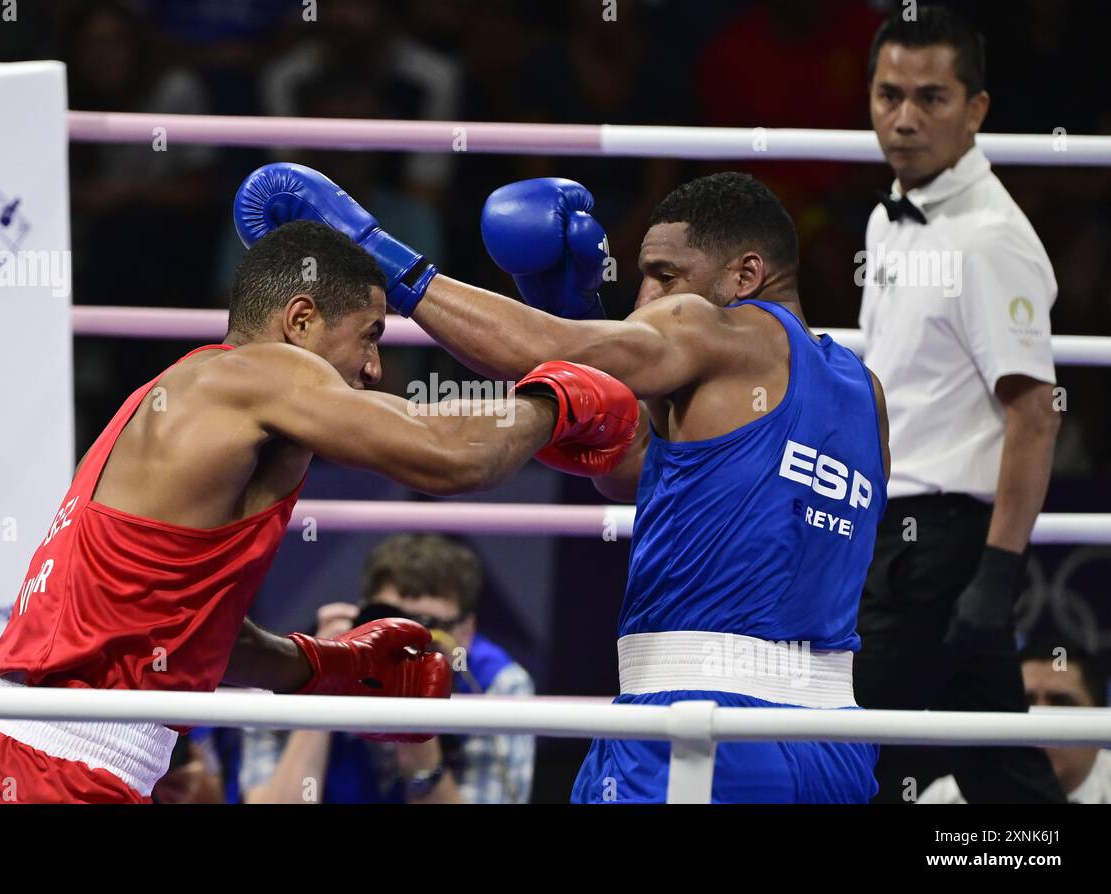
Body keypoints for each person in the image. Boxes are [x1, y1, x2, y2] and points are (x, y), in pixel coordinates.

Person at [236, 164, 890, 803]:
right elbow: (627, 470)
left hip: (706, 724)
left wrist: (375, 252)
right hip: (833, 737)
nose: (648, 305)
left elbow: (548, 348)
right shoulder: (866, 394)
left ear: (747, 275)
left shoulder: (726, 331)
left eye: (667, 279)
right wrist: (573, 314)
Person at [0, 220, 638, 804]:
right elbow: (448, 455)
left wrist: (327, 666)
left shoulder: (184, 398)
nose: (371, 370)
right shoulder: (259, 373)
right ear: (300, 319)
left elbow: (179, 636)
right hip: (61, 768)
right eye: (369, 337)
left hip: (11, 753)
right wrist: (563, 397)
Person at [854, 6, 1064, 803]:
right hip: (894, 526)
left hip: (943, 541)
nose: (905, 119)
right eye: (888, 94)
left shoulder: (990, 237)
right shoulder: (887, 218)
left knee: (845, 744)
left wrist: (996, 576)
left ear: (976, 108)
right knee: (1000, 771)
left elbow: (1035, 414)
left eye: (932, 98)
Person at [242, 534, 535, 804]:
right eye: (390, 619)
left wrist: (417, 727)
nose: (404, 641)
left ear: (466, 632)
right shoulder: (286, 667)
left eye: (428, 625)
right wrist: (322, 683)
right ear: (365, 612)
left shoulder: (498, 684)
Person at [919, 641, 1110, 804]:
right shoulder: (945, 798)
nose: (1040, 722)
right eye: (1025, 703)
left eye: (1061, 702)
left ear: (1099, 714)